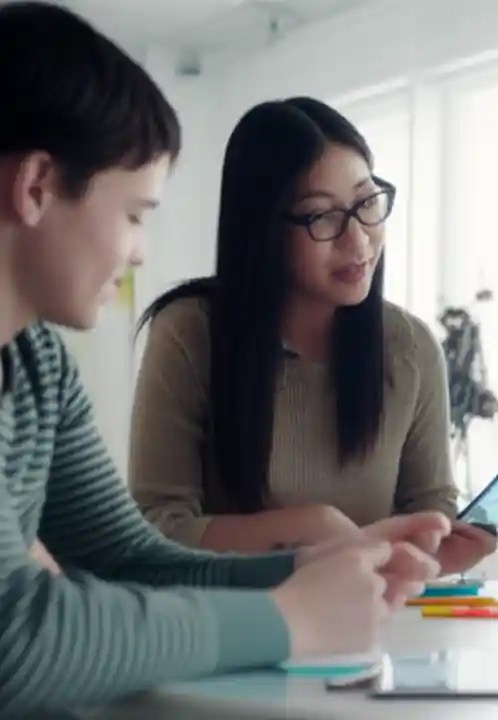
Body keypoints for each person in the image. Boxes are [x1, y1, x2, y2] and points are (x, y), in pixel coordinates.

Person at [0, 3, 450, 715]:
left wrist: (306, 571)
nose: (141, 252)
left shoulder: (37, 366)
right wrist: (289, 620)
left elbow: (128, 560)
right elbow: (13, 638)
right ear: (35, 188)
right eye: (135, 214)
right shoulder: (188, 332)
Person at [127, 98, 496, 574]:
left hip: (373, 629)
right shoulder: (191, 331)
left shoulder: (410, 347)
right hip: (234, 631)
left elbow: (429, 510)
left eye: (366, 203)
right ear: (263, 231)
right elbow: (154, 528)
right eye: (322, 217)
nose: (359, 240)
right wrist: (310, 529)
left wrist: (445, 545)